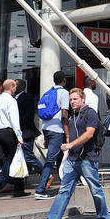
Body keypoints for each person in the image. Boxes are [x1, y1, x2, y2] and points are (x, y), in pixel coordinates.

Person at [34, 88, 110, 219]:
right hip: (72, 159)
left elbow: (89, 134)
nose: (72, 102)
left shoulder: (90, 113)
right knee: (64, 190)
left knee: (95, 190)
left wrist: (71, 144)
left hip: (87, 158)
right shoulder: (73, 116)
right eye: (70, 100)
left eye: (75, 99)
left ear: (82, 99)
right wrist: (67, 144)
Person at [34, 71, 71, 200]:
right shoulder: (64, 93)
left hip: (46, 129)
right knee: (50, 160)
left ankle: (66, 183)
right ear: (64, 80)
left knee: (61, 157)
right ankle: (40, 189)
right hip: (57, 130)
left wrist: (45, 137)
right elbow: (64, 114)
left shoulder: (48, 92)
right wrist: (67, 134)